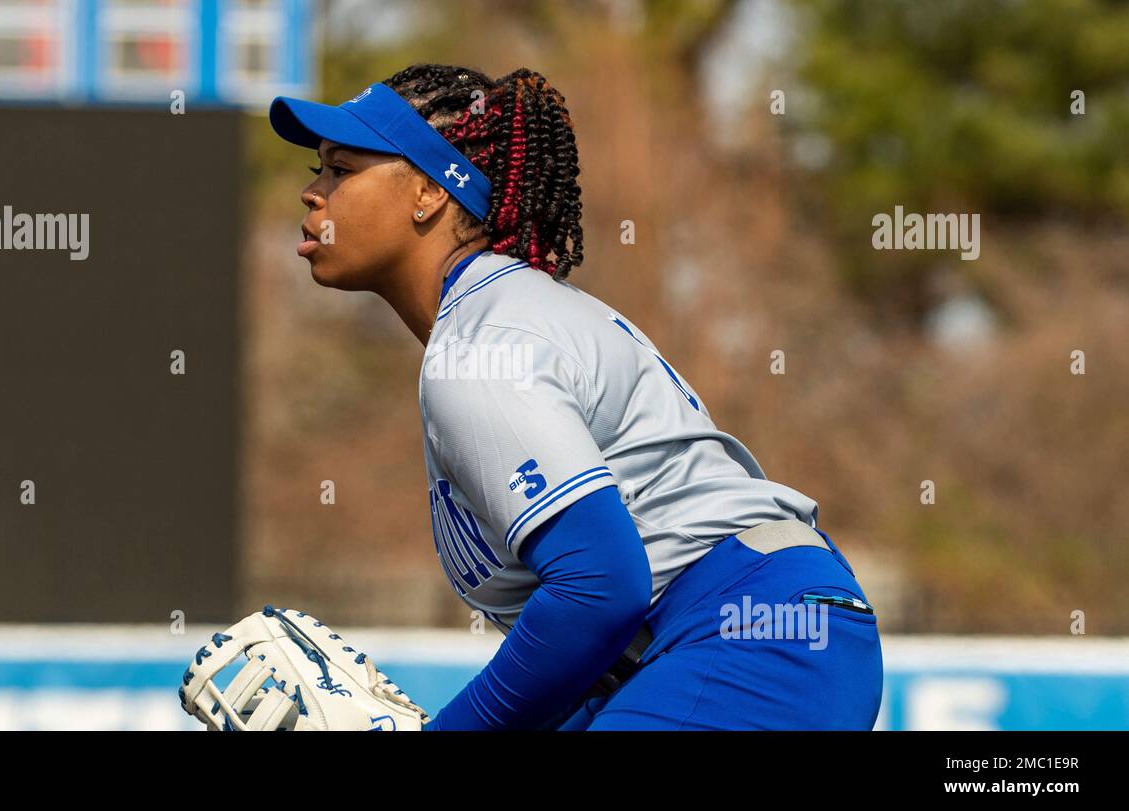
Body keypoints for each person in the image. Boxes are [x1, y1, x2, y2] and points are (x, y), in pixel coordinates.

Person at [267, 64, 883, 730]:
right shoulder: (500, 318)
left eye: (341, 168)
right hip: (751, 637)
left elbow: (599, 587)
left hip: (748, 637)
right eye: (316, 167)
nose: (312, 192)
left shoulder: (481, 343)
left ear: (427, 192)